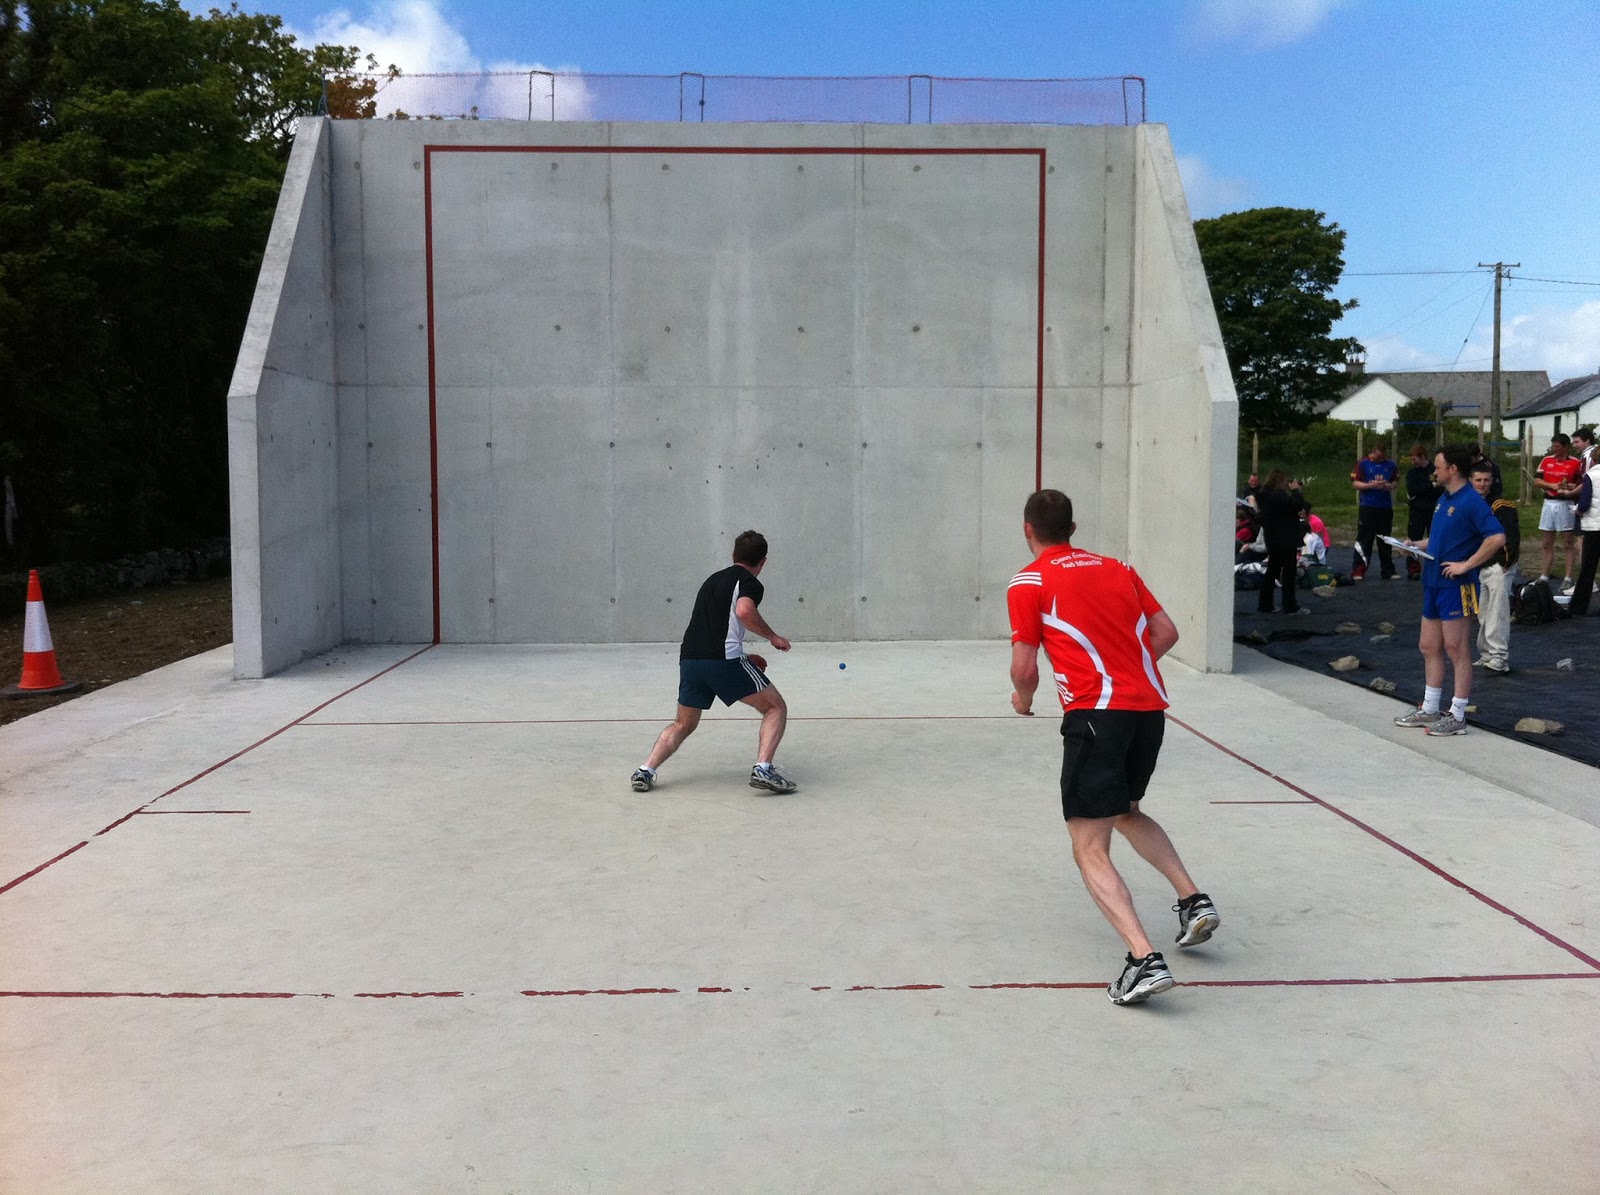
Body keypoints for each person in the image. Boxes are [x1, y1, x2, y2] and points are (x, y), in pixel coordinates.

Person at [1007, 489, 1220, 1006]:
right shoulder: (1118, 568)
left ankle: (1142, 960)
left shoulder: (1029, 580)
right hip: (1147, 712)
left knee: (1088, 846)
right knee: (1125, 811)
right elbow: (1166, 631)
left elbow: (1025, 665)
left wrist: (1023, 697)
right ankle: (1193, 901)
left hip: (1096, 716)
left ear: (1028, 529)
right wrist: (1128, 666)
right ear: (1073, 528)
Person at [631, 530, 797, 794]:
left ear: (733, 555)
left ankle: (645, 770)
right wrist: (772, 637)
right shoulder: (749, 582)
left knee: (683, 724)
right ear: (763, 562)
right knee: (775, 707)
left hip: (691, 661)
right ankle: (763, 769)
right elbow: (744, 611)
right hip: (723, 662)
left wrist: (743, 657)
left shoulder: (712, 580)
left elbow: (714, 628)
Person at [1394, 445, 1507, 737]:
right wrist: (1416, 545)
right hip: (1433, 581)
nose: (1435, 471)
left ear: (1453, 469)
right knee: (1428, 645)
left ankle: (1457, 714)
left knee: (1457, 648)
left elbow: (1496, 537)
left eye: (1439, 466)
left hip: (1457, 585)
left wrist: (1465, 564)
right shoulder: (1444, 499)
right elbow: (1442, 537)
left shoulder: (1471, 500)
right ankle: (1430, 708)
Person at [1469, 460, 1519, 675]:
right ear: (1471, 480)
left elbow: (1510, 536)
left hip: (1498, 565)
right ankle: (1487, 653)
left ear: (1492, 481)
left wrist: (1505, 562)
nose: (1482, 484)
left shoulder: (1501, 505)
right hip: (1481, 564)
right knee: (1483, 612)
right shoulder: (1471, 503)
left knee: (1497, 612)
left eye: (1486, 480)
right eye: (1478, 480)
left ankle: (1499, 656)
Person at [1534, 433, 1583, 587]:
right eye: (1553, 446)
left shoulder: (1576, 463)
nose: (1554, 449)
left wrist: (1569, 487)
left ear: (1566, 446)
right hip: (1549, 503)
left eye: (1557, 447)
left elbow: (1581, 484)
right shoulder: (1547, 460)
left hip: (1566, 503)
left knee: (1568, 542)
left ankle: (1568, 577)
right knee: (1547, 542)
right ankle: (1544, 575)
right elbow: (1537, 480)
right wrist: (1551, 486)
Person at [1256, 470, 1307, 615]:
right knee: (1289, 572)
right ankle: (1290, 606)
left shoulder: (1264, 495)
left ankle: (1265, 604)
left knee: (1273, 570)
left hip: (1272, 538)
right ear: (1279, 481)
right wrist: (1296, 491)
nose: (1287, 483)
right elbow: (1297, 506)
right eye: (1285, 481)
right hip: (1285, 538)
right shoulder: (1278, 495)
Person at [1351, 445, 1399, 580]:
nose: (1381, 458)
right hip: (1368, 506)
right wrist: (1369, 486)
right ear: (1373, 452)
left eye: (1383, 455)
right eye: (1379, 455)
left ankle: (1388, 570)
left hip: (1385, 506)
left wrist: (1388, 486)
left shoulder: (1390, 465)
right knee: (1364, 538)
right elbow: (1355, 483)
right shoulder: (1363, 463)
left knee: (1385, 539)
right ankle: (1358, 569)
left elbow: (1395, 481)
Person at [1403, 444, 1443, 581]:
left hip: (1434, 510)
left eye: (1414, 459)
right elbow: (1413, 490)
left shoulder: (1435, 471)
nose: (1412, 462)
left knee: (1435, 539)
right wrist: (1429, 485)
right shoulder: (1411, 474)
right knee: (1413, 540)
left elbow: (1441, 489)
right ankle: (1413, 569)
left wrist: (1429, 487)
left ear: (1423, 457)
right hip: (1417, 511)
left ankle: (1435, 568)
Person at [1569, 447, 1600, 617]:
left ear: (1593, 460)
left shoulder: (1590, 475)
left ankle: (1579, 607)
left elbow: (1585, 500)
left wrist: (1579, 511)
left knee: (1588, 568)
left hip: (1594, 527)